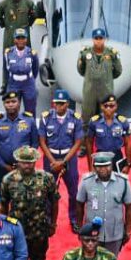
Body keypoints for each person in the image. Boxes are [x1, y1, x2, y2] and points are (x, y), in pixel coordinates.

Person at [0, 146, 58, 260]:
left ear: (35, 162)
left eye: (30, 162)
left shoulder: (46, 178)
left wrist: (53, 223)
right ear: (18, 162)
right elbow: (3, 204)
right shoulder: (8, 180)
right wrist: (4, 226)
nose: (27, 165)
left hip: (40, 229)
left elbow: (54, 201)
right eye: (24, 162)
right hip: (17, 231)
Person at [39, 90, 85, 232]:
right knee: (47, 191)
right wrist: (53, 161)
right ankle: (47, 218)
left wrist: (63, 162)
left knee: (73, 192)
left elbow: (78, 142)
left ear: (67, 104)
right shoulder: (46, 118)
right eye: (56, 103)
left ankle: (73, 218)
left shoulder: (75, 118)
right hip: (50, 159)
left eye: (62, 104)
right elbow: (42, 141)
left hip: (68, 159)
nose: (58, 106)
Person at [77, 152, 131, 256]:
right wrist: (80, 228)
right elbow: (79, 205)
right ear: (94, 167)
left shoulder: (123, 182)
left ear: (111, 165)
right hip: (92, 234)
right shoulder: (86, 182)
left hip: (114, 233)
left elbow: (129, 207)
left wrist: (128, 230)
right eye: (99, 166)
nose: (103, 169)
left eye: (106, 166)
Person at [0, 91, 38, 188]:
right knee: (2, 194)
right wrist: (3, 164)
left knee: (25, 194)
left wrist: (26, 162)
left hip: (25, 167)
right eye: (7, 102)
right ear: (4, 104)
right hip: (3, 167)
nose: (10, 105)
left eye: (13, 101)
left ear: (19, 103)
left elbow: (35, 143)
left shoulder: (29, 120)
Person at [77, 29, 123, 120]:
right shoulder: (85, 53)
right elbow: (81, 70)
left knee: (107, 117)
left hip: (105, 91)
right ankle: (87, 134)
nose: (98, 41)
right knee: (87, 118)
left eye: (101, 38)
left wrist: (107, 77)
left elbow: (118, 71)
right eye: (96, 38)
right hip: (89, 91)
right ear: (93, 39)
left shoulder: (112, 54)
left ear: (104, 39)